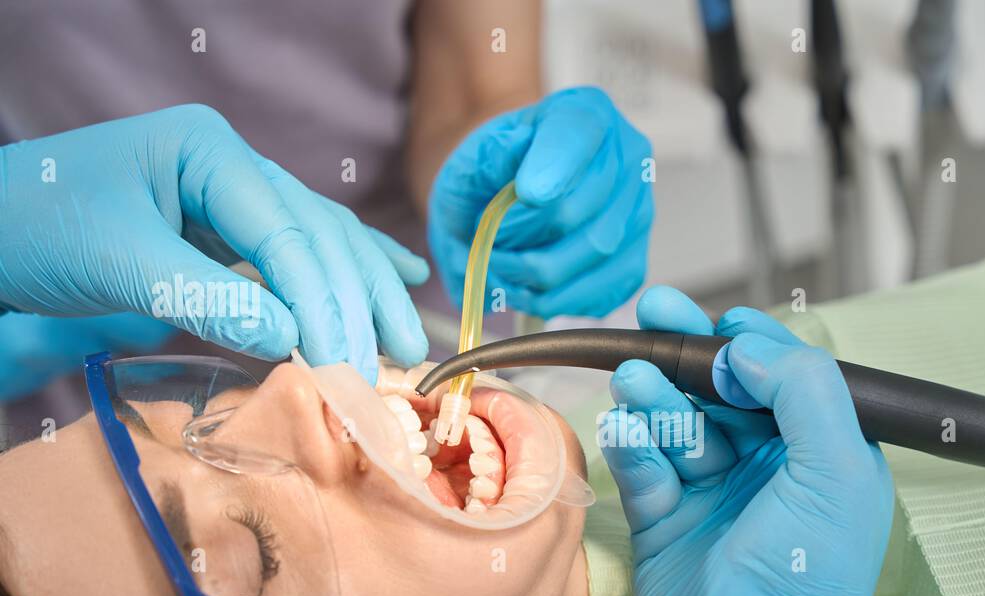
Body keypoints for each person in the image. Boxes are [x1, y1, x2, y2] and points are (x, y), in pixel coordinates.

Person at [0, 0, 653, 398]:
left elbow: (481, 82)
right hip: (65, 395)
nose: (299, 402)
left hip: (405, 327)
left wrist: (500, 175)